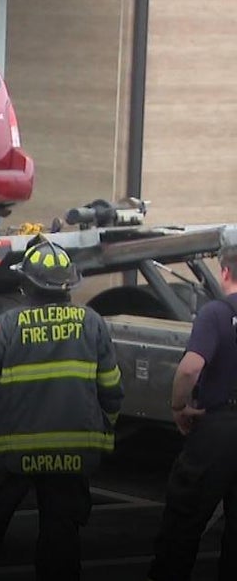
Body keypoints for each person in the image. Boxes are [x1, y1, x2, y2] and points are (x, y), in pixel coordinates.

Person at [0, 237, 124, 581]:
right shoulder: (92, 323)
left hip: (12, 452)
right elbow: (112, 390)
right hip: (72, 453)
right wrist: (105, 426)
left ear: (25, 283)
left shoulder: (8, 325)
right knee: (61, 538)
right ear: (69, 284)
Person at [147, 245, 237, 581]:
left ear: (224, 272)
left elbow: (189, 369)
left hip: (218, 428)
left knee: (184, 521)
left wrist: (178, 407)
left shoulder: (216, 313)